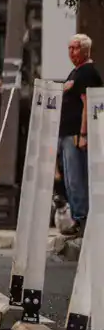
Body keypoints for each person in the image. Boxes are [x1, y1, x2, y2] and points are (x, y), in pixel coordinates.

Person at [61, 34, 102, 235]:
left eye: (75, 48)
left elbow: (88, 104)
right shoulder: (75, 73)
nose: (71, 52)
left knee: (77, 178)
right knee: (69, 177)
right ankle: (78, 218)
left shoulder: (87, 73)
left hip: (77, 134)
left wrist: (83, 133)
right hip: (67, 133)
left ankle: (82, 219)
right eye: (69, 48)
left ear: (85, 50)